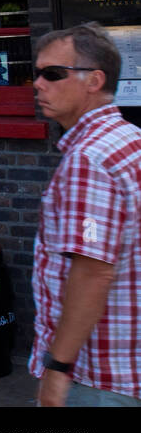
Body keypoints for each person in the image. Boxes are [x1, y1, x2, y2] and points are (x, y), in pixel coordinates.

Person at [29, 24, 141, 407]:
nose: (39, 84)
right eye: (37, 73)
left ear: (94, 80)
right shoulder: (129, 139)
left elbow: (93, 269)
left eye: (53, 74)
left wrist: (58, 368)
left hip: (97, 377)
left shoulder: (88, 160)